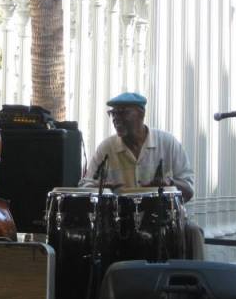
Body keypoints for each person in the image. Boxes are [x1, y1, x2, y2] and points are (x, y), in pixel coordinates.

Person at [80, 92, 203, 260]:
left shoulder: (167, 143)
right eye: (113, 113)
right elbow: (85, 186)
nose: (116, 118)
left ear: (141, 114)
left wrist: (169, 183)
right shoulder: (106, 148)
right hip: (120, 224)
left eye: (123, 112)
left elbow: (189, 190)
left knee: (193, 232)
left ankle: (195, 283)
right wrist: (102, 187)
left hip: (163, 221)